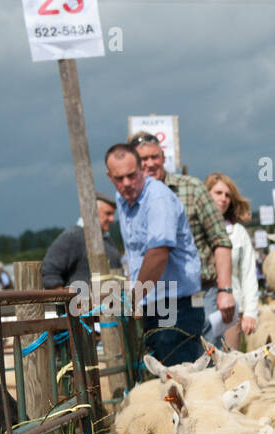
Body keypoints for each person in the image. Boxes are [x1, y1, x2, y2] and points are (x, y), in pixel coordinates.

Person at [104, 143, 205, 366]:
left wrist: (133, 298)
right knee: (167, 381)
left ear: (141, 169)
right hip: (156, 303)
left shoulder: (158, 199)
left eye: (132, 175)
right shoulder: (122, 200)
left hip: (179, 306)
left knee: (178, 379)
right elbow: (134, 254)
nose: (127, 183)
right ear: (109, 176)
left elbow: (158, 253)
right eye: (119, 178)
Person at [129, 132, 234, 339]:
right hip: (156, 298)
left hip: (200, 293)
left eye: (154, 157)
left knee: (208, 360)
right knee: (167, 364)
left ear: (163, 157)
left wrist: (226, 290)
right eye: (143, 159)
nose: (150, 164)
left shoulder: (192, 189)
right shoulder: (132, 200)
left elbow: (220, 240)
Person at [204, 172, 261, 348]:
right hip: (200, 310)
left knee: (231, 367)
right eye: (218, 193)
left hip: (231, 310)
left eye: (227, 195)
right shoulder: (195, 230)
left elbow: (249, 274)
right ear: (206, 195)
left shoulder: (238, 233)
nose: (223, 199)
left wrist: (250, 312)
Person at [41, 193, 123, 297]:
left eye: (113, 214)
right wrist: (69, 302)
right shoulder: (72, 236)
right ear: (93, 212)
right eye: (108, 213)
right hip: (83, 311)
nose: (112, 219)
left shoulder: (107, 239)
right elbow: (49, 273)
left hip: (111, 308)